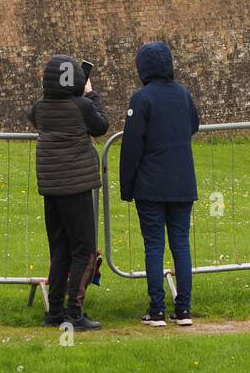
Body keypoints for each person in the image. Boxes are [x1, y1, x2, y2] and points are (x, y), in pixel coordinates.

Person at [119, 41, 201, 327]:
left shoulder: (142, 99)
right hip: (182, 182)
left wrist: (126, 186)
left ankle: (156, 309)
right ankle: (184, 309)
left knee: (154, 246)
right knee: (181, 245)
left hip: (151, 184)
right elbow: (194, 124)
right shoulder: (183, 94)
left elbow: (132, 145)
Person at [27, 55, 109, 331]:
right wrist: (90, 93)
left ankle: (55, 312)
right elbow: (101, 125)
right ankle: (74, 312)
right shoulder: (82, 106)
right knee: (84, 249)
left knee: (60, 250)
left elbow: (36, 114)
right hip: (77, 186)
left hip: (52, 189)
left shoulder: (40, 109)